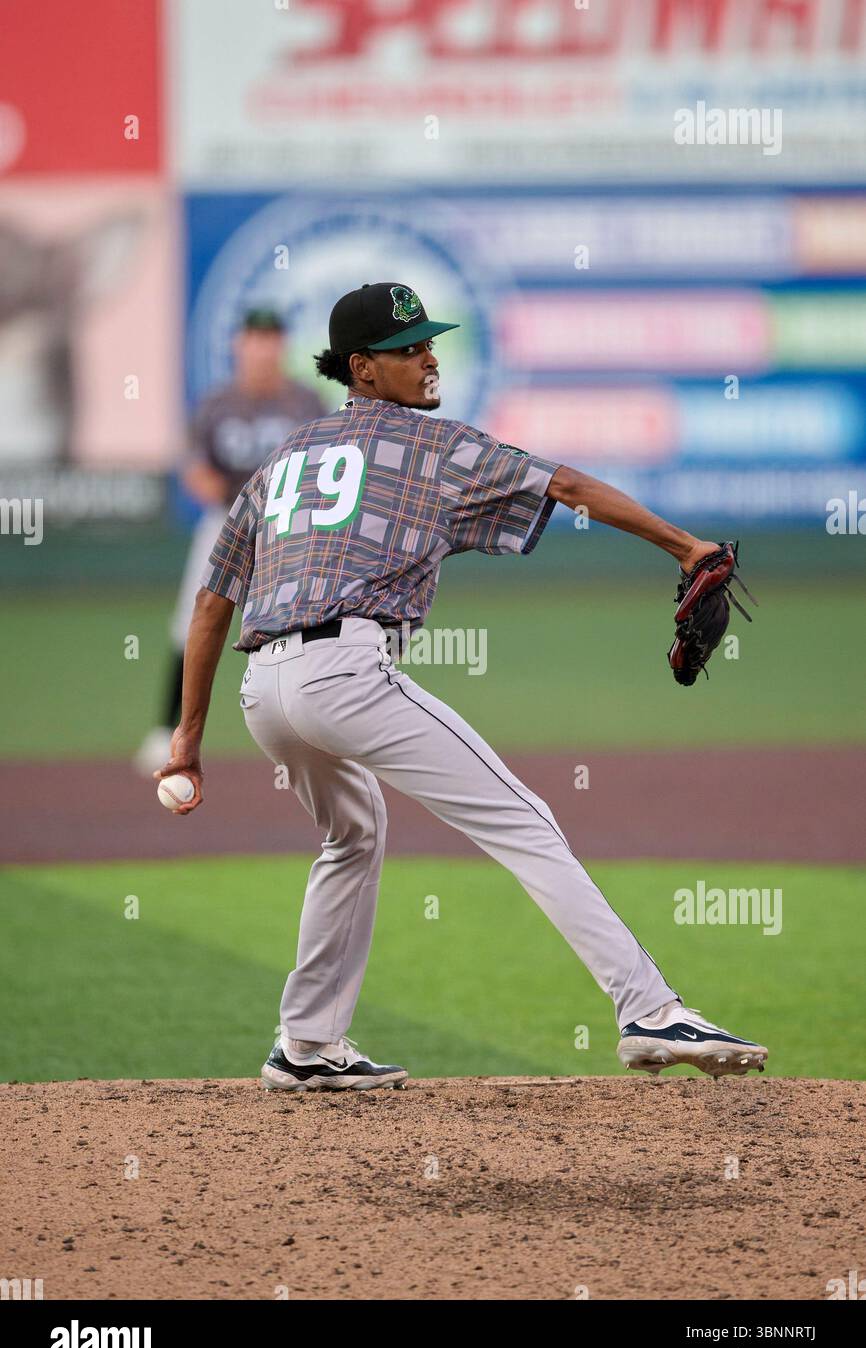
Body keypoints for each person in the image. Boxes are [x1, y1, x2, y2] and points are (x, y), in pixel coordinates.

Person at [156, 281, 768, 1092]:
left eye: (428, 342)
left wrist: (187, 743)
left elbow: (210, 602)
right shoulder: (434, 447)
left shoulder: (285, 456)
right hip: (344, 674)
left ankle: (305, 1048)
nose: (429, 356)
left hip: (264, 692)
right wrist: (685, 546)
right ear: (363, 369)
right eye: (409, 348)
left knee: (354, 834)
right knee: (522, 817)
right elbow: (571, 486)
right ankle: (649, 1009)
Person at [134, 308, 327, 773]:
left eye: (271, 337)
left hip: (290, 527)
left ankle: (320, 727)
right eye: (255, 337)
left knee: (311, 620)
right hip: (226, 524)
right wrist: (240, 502)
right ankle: (167, 731)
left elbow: (328, 463)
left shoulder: (306, 403)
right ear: (239, 344)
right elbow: (195, 470)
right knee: (192, 623)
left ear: (282, 345)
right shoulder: (218, 404)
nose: (263, 347)